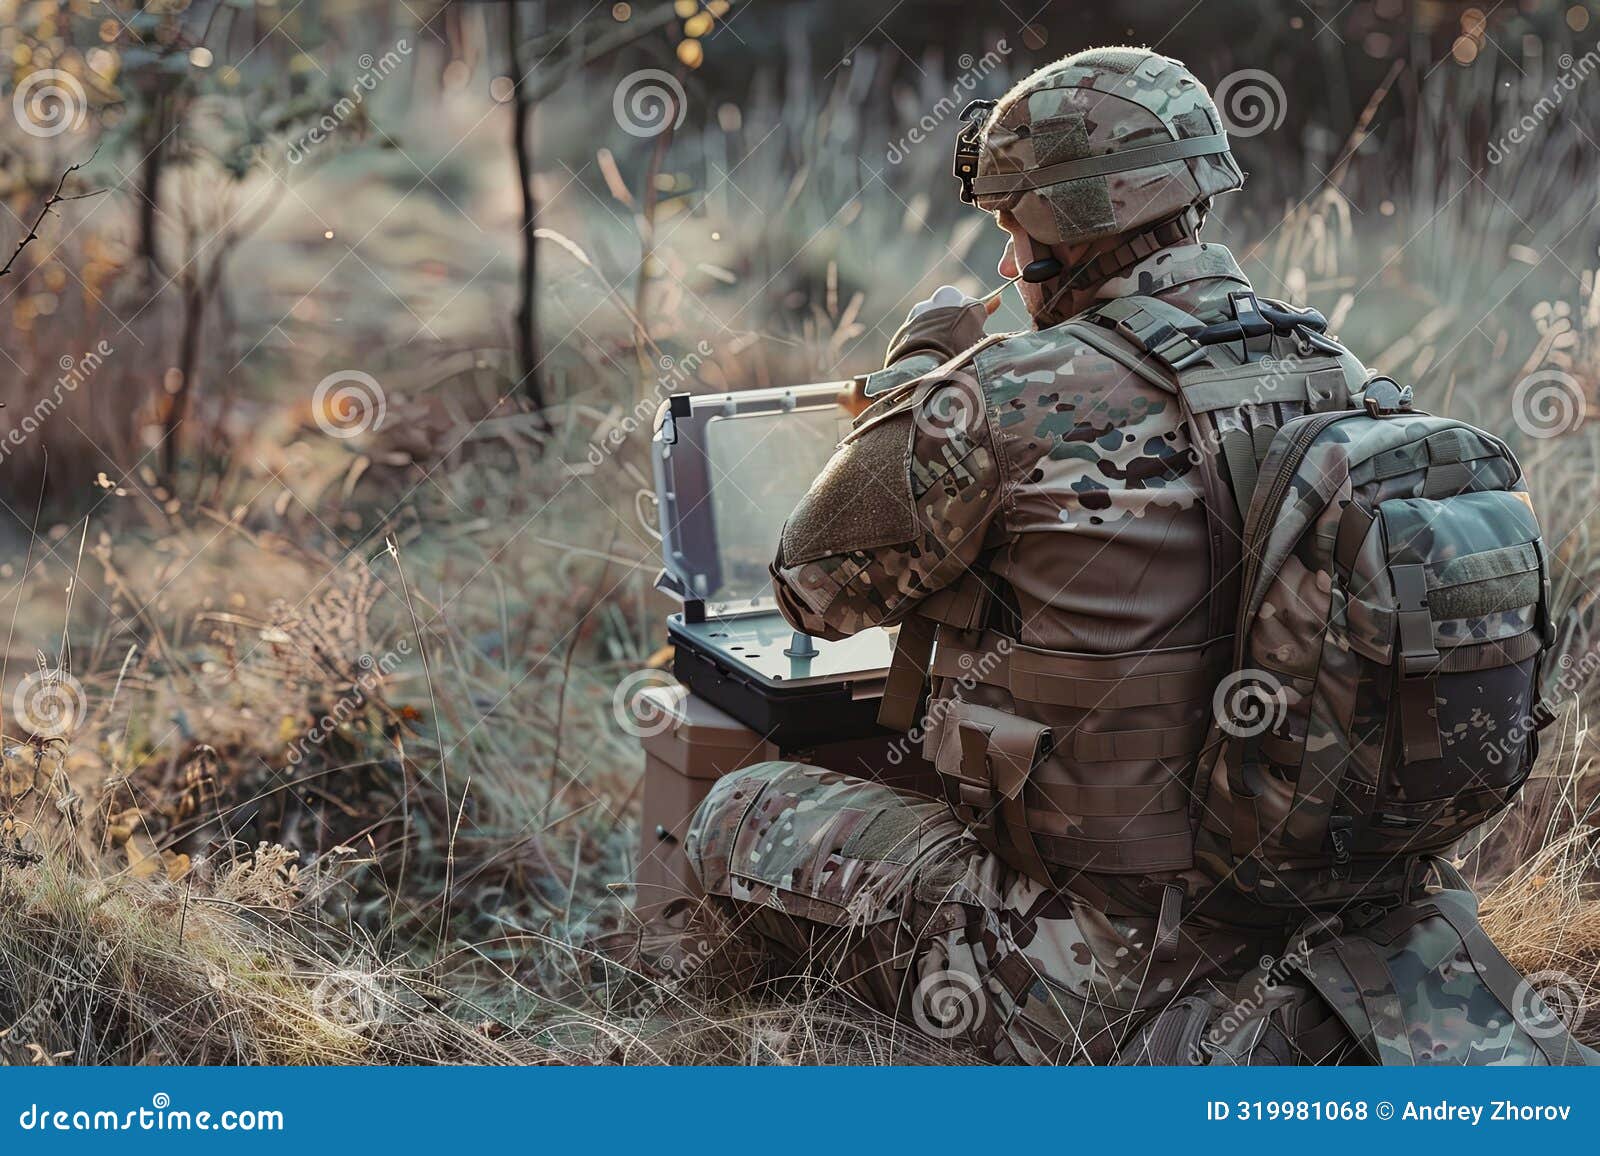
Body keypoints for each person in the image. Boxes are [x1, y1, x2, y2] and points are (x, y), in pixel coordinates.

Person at [676, 47, 1596, 1066]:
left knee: (735, 812)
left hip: (1088, 967)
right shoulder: (1341, 373)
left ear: (1060, 231)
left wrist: (919, 371)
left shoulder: (1005, 393)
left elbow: (810, 586)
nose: (1001, 260)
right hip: (1326, 915)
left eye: (1009, 229)